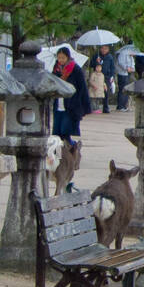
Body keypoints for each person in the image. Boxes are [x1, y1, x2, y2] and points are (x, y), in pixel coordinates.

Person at [51, 46, 93, 188]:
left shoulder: (75, 70)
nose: (60, 60)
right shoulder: (56, 70)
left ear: (68, 57)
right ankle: (57, 159)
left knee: (65, 133)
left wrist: (85, 107)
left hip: (71, 107)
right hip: (59, 106)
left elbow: (82, 89)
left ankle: (74, 151)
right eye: (59, 57)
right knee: (56, 135)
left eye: (63, 57)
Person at [88, 44, 116, 114]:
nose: (104, 50)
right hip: (97, 76)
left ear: (108, 49)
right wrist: (96, 61)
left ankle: (105, 107)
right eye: (102, 48)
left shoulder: (110, 57)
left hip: (106, 76)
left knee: (106, 92)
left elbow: (112, 68)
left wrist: (112, 76)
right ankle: (94, 108)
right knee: (95, 93)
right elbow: (91, 65)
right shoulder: (96, 55)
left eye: (106, 48)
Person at [115, 42, 137, 111]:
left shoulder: (131, 56)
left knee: (127, 89)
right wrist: (127, 68)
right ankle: (120, 106)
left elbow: (133, 63)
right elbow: (120, 62)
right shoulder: (123, 53)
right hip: (122, 73)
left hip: (128, 73)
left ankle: (125, 105)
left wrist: (132, 68)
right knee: (122, 89)